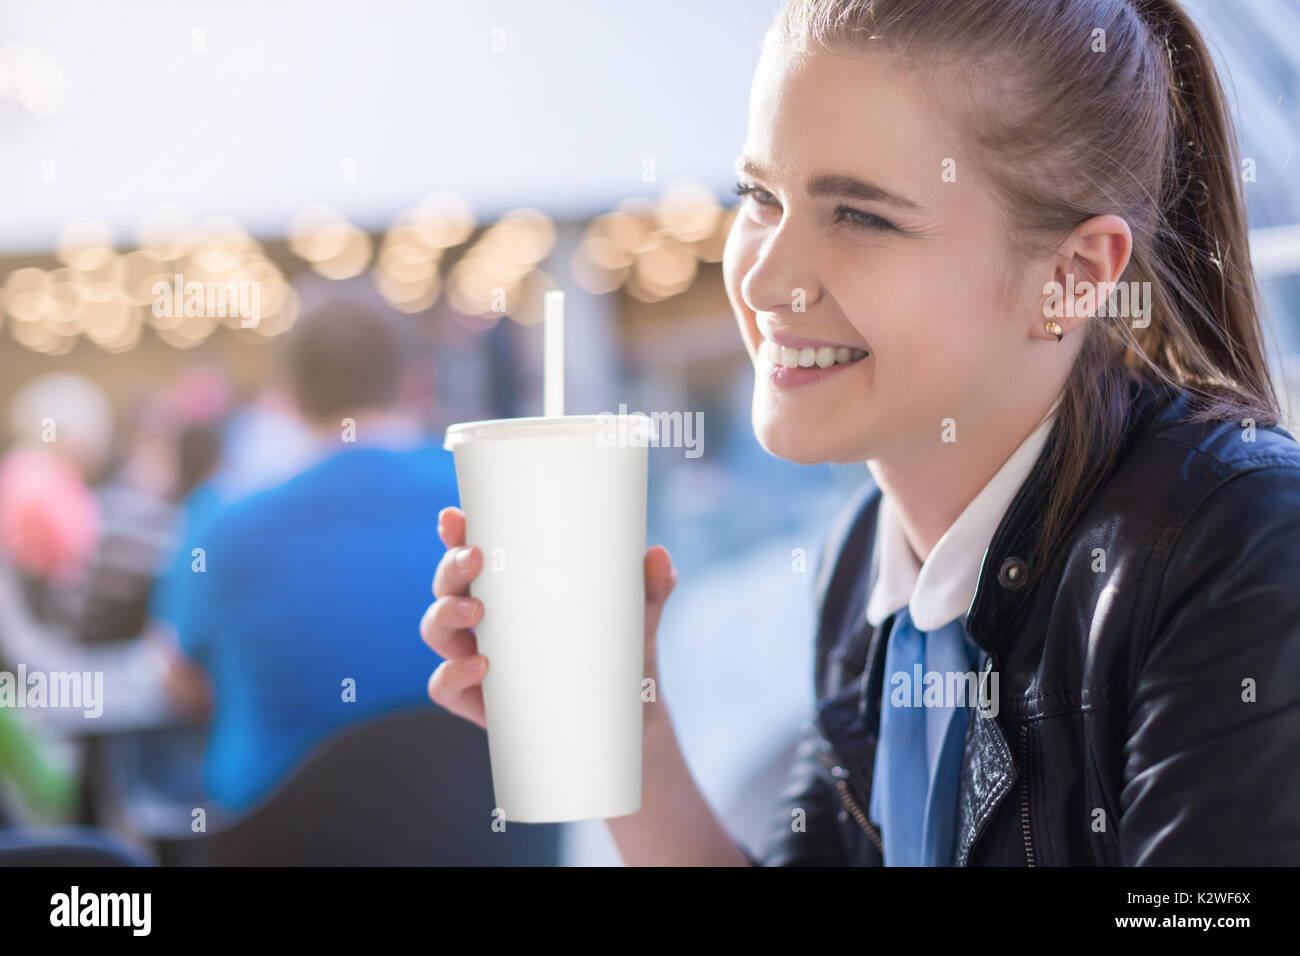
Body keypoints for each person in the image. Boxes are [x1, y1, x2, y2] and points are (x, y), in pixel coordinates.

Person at [421, 0, 1300, 866]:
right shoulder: (864, 567)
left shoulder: (1242, 547)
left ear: (1071, 277)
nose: (766, 281)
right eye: (760, 196)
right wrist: (627, 731)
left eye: (861, 216)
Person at [165, 300, 457, 812]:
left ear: (290, 398)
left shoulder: (222, 522)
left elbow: (181, 682)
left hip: (275, 845)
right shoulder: (488, 502)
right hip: (482, 839)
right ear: (420, 384)